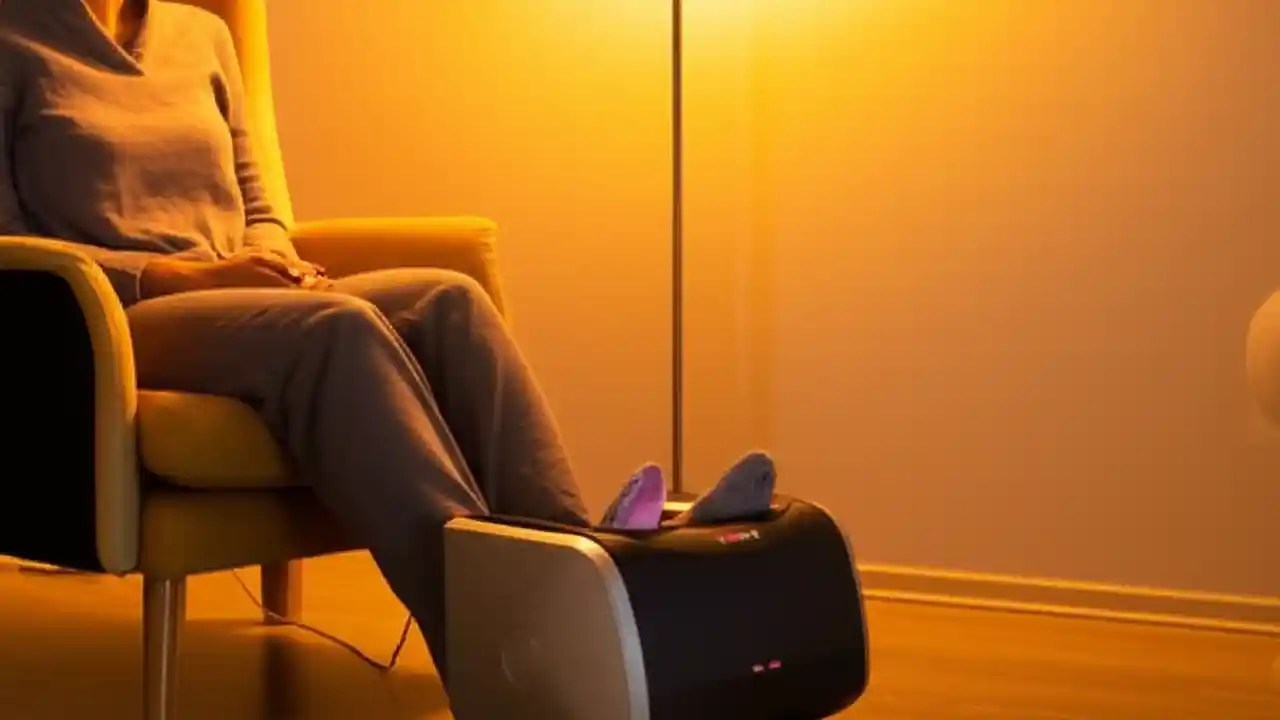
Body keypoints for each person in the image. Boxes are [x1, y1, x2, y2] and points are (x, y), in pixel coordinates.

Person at [0, 0, 776, 679]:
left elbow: (259, 199)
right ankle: (501, 639)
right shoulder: (13, 33)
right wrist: (182, 279)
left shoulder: (202, 32)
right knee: (339, 330)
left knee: (447, 300)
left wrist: (276, 262)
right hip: (111, 318)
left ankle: (594, 571)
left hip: (242, 294)